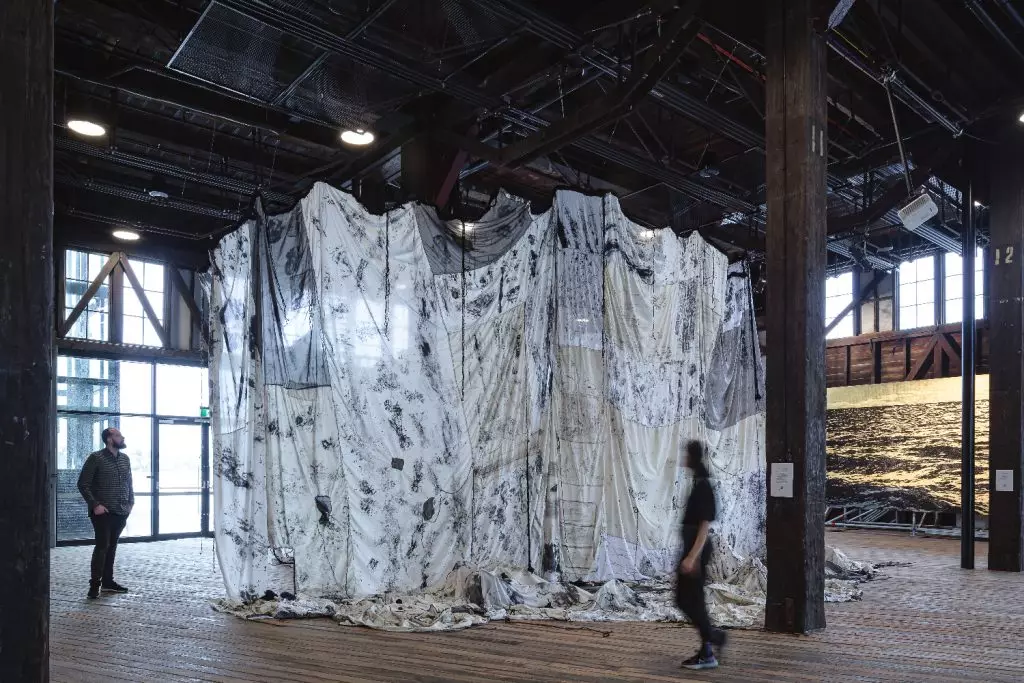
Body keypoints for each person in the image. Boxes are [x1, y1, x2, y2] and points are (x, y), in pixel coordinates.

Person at [677, 439, 726, 670]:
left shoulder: (704, 485)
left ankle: (710, 646)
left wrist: (692, 557)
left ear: (693, 457)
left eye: (686, 454)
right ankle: (711, 640)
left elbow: (704, 526)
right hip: (691, 550)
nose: (682, 457)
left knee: (690, 600)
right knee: (686, 599)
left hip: (696, 551)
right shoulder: (698, 482)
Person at [78, 426, 134, 599]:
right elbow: (83, 484)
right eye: (118, 435)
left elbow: (129, 482)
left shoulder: (125, 459)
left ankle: (108, 583)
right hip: (102, 512)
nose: (122, 437)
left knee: (112, 547)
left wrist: (131, 502)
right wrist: (95, 505)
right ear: (110, 439)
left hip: (121, 511)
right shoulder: (96, 458)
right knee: (102, 546)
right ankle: (94, 585)